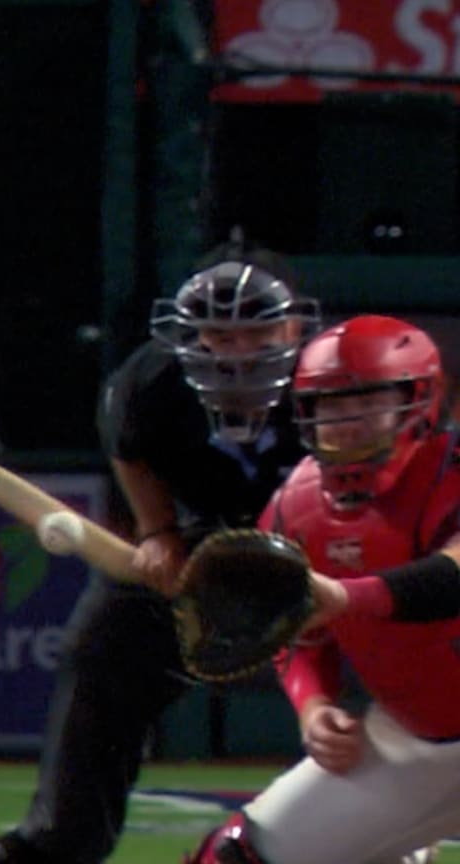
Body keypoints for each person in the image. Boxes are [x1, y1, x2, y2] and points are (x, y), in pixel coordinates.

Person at [0, 248, 320, 864]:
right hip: (204, 546)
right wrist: (158, 531)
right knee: (105, 644)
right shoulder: (150, 383)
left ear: (296, 327)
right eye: (218, 330)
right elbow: (129, 451)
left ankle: (395, 835)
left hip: (335, 550)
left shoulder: (334, 377)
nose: (236, 348)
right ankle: (58, 845)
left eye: (257, 329)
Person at [183, 314, 460, 864]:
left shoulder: (449, 470)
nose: (346, 421)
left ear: (419, 399)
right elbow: (295, 635)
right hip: (413, 741)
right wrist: (313, 707)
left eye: (366, 402)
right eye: (330, 405)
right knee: (234, 859)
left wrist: (343, 597)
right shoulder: (295, 507)